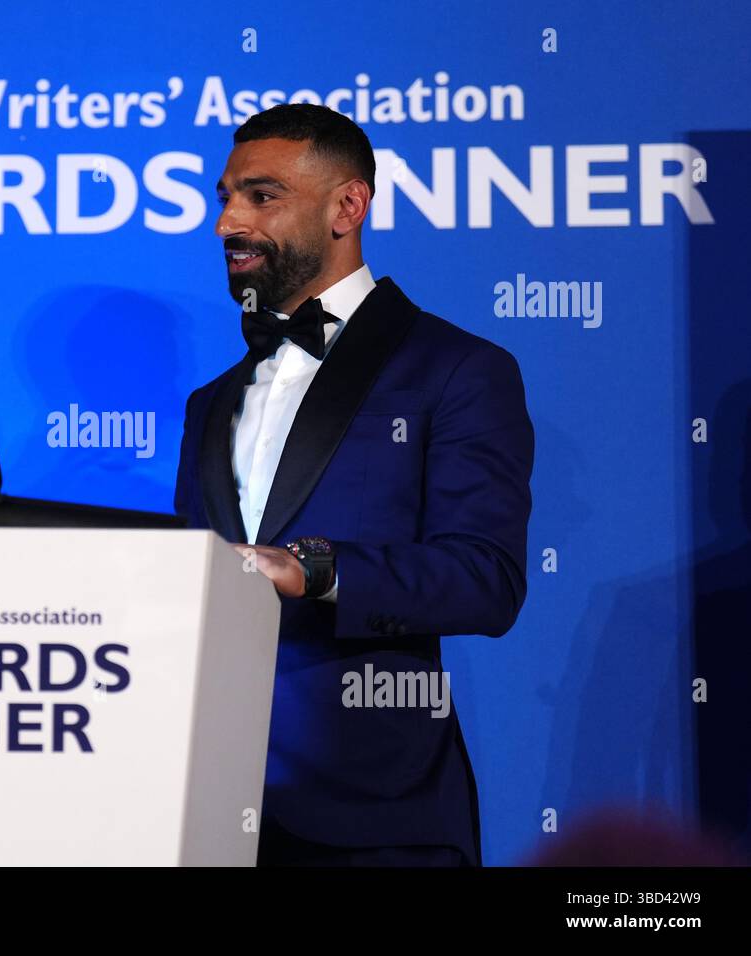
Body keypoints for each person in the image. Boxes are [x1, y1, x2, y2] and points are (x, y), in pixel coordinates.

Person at [173, 103, 534, 866]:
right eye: (224, 197)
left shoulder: (459, 369)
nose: (228, 222)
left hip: (378, 818)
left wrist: (312, 567)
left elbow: (485, 578)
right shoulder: (209, 402)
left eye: (261, 196)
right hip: (212, 812)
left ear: (348, 206)